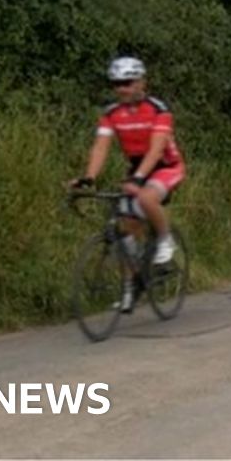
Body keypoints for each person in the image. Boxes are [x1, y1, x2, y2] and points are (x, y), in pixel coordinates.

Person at [70, 56, 185, 312]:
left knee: (145, 198)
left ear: (142, 82)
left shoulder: (158, 109)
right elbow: (100, 147)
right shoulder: (112, 114)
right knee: (125, 230)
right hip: (137, 170)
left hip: (166, 167)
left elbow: (156, 150)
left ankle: (166, 241)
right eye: (117, 83)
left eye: (128, 82)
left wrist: (138, 179)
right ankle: (132, 286)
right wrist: (89, 178)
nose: (122, 88)